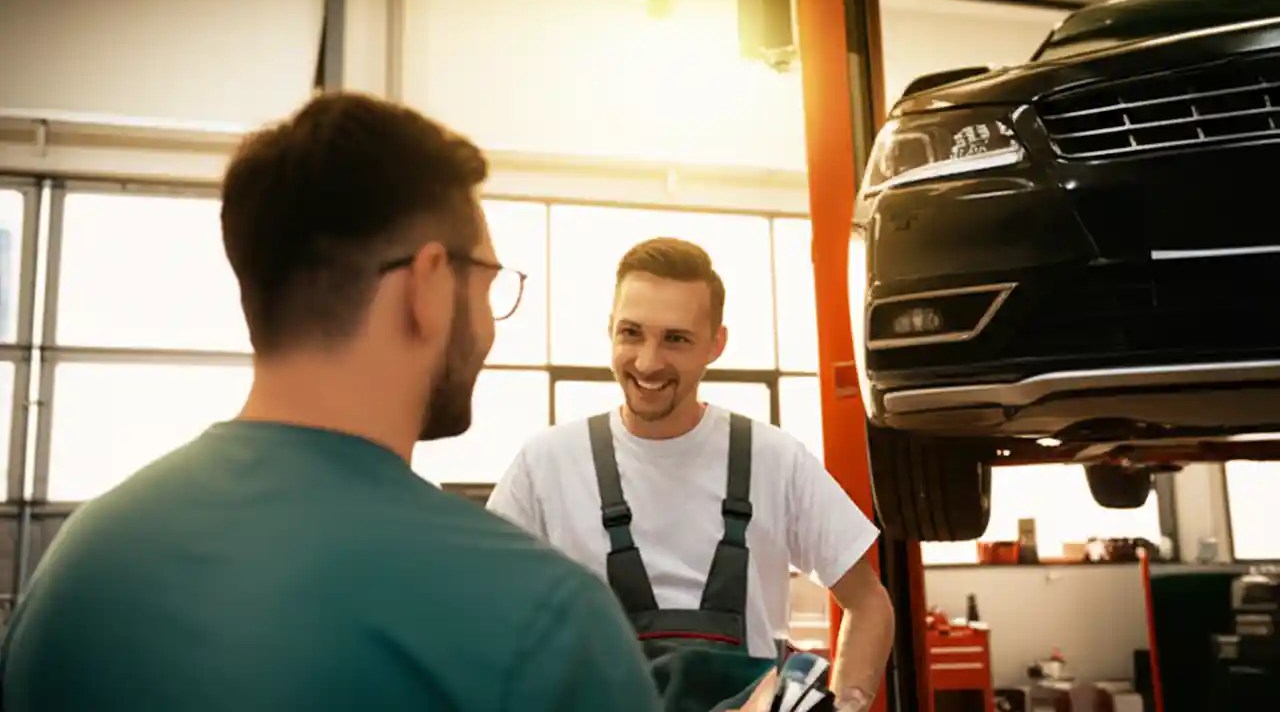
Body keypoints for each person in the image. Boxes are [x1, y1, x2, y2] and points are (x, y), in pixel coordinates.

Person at [0, 93, 661, 711]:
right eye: (488, 282)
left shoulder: (75, 572)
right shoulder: (542, 621)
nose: (489, 322)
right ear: (427, 286)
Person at [487, 237, 896, 711]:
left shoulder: (775, 460)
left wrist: (847, 704)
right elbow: (485, 614)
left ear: (715, 344)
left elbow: (868, 603)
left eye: (675, 339)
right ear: (610, 331)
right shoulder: (545, 465)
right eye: (631, 333)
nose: (647, 362)